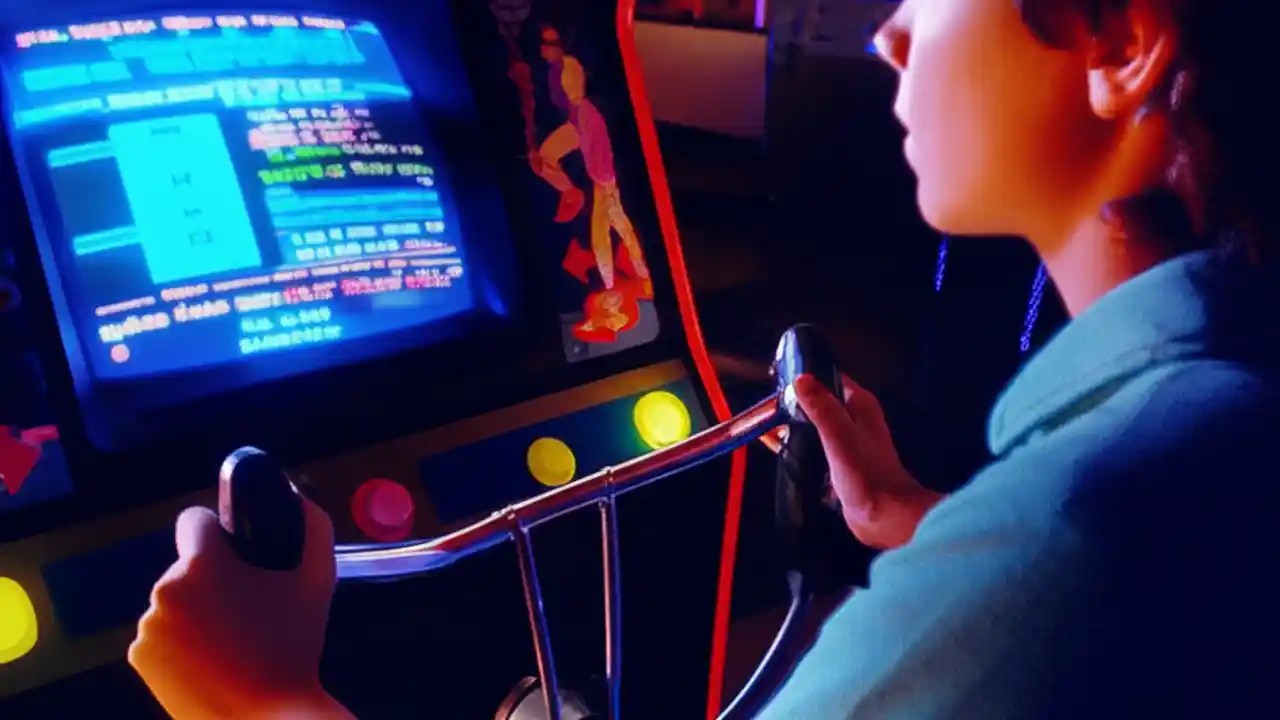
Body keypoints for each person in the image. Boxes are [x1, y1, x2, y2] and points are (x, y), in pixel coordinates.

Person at [129, 0, 1280, 717]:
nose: (885, 34)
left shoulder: (1071, 528)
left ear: (1122, 44)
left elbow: (1073, 567)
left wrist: (258, 697)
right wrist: (926, 522)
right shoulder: (1218, 412)